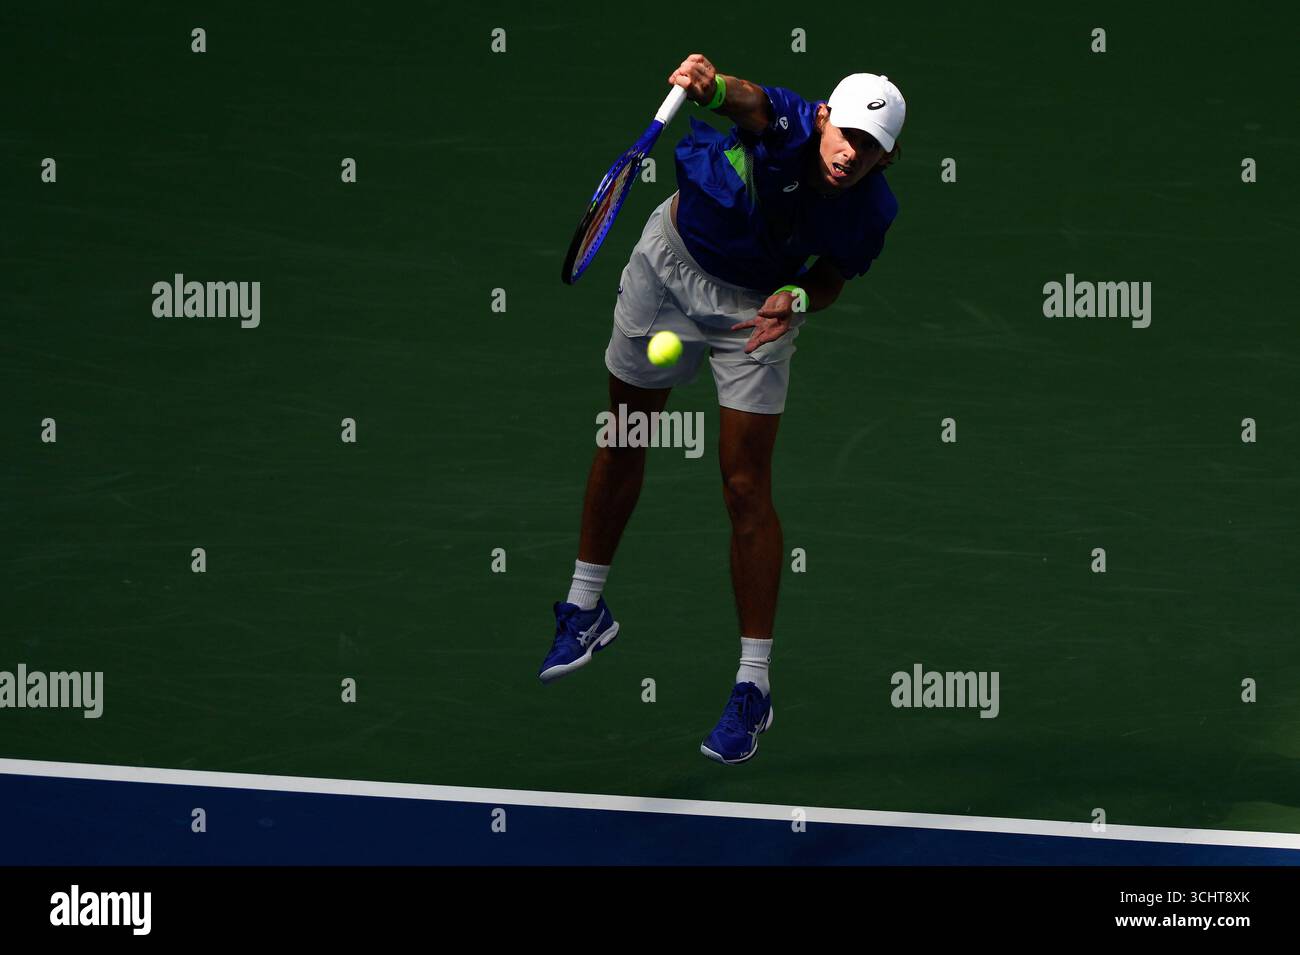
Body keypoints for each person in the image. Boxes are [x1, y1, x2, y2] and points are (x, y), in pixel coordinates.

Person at [539, 53, 906, 765]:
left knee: (744, 486)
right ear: (826, 119)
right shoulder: (792, 121)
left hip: (756, 313)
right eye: (849, 138)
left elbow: (831, 275)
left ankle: (753, 686)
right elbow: (746, 100)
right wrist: (708, 84)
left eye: (871, 152)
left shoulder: (872, 211)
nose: (851, 157)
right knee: (626, 432)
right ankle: (585, 608)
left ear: (885, 160)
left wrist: (800, 299)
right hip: (670, 266)